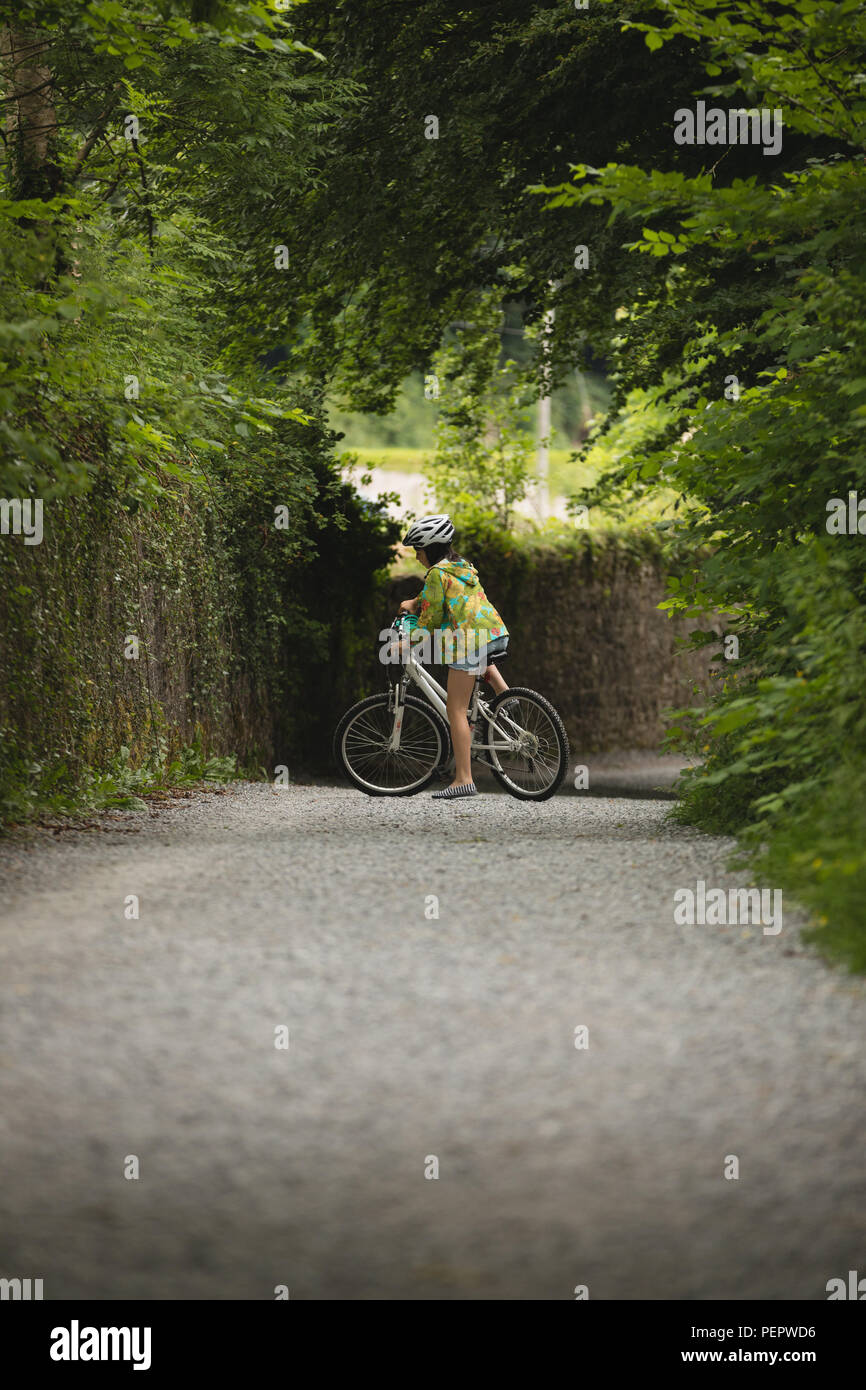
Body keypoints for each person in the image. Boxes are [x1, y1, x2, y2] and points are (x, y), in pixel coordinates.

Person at [399, 514, 511, 800]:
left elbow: (431, 621)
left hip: (468, 642)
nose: (417, 556)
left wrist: (406, 643)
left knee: (455, 710)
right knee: (480, 661)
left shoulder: (436, 574)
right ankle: (506, 698)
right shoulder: (462, 566)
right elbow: (440, 596)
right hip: (494, 632)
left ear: (431, 548)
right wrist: (414, 602)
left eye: (419, 550)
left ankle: (463, 779)